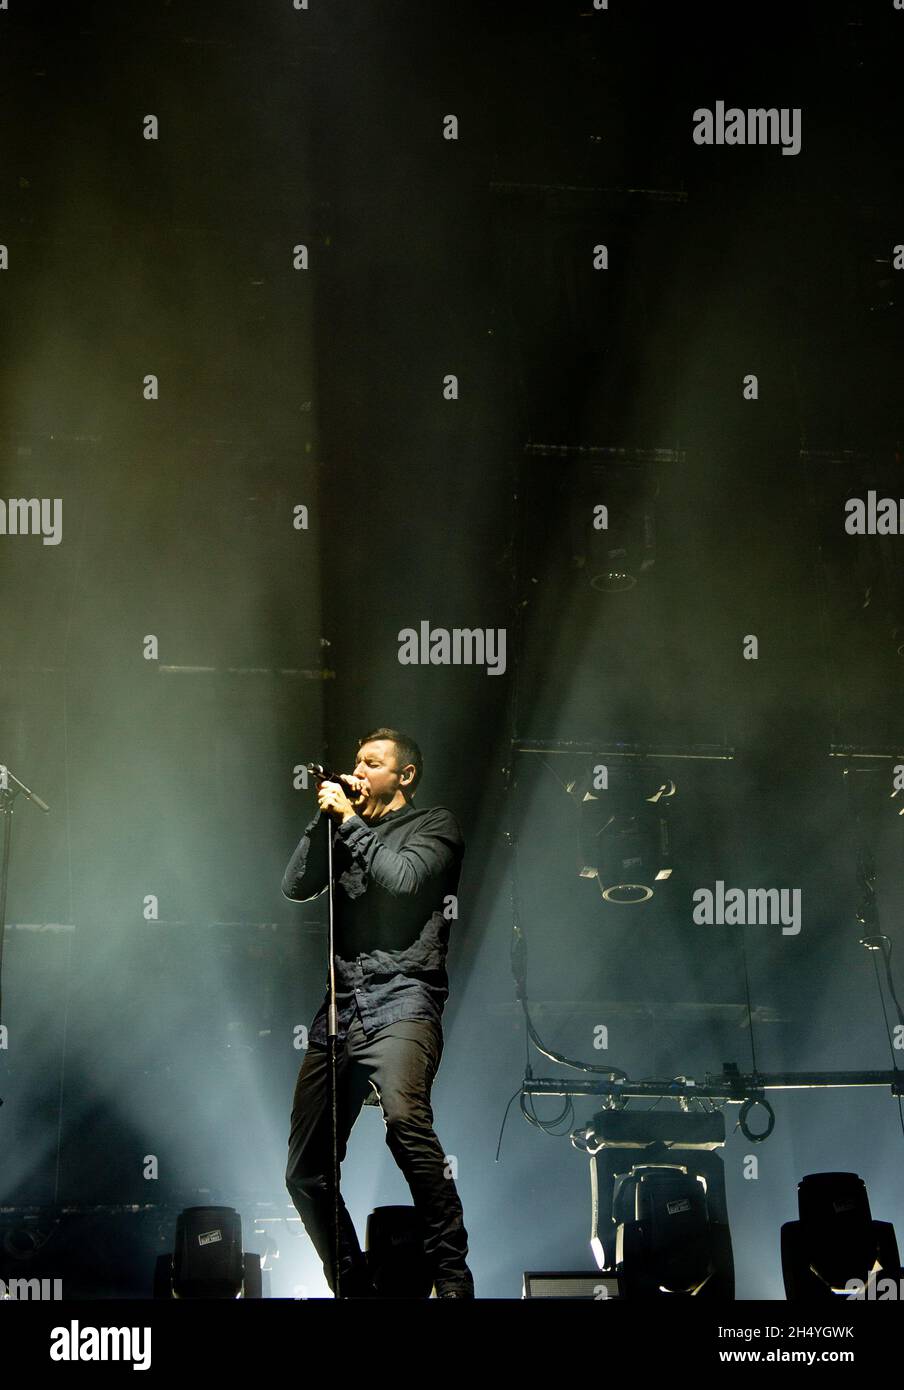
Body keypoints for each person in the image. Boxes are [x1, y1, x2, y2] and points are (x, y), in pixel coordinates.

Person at [282, 727, 475, 1298]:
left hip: (404, 1000)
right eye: (355, 762)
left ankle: (451, 1278)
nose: (357, 772)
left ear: (404, 775)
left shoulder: (434, 826)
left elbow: (405, 881)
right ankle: (353, 1286)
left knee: (405, 1122)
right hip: (339, 1013)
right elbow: (295, 885)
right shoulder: (343, 828)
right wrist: (325, 823)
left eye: (371, 764)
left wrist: (351, 824)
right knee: (306, 1172)